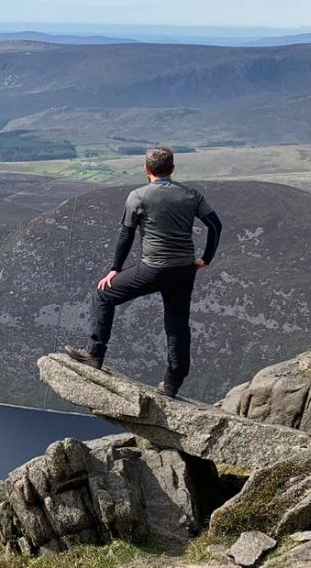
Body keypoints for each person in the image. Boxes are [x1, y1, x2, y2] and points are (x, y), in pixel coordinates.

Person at [65, 146, 222, 397]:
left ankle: (94, 355)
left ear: (146, 169)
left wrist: (114, 270)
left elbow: (126, 235)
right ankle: (172, 383)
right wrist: (206, 259)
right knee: (177, 324)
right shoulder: (192, 195)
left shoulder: (138, 196)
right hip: (184, 269)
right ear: (172, 168)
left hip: (154, 267)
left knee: (104, 295)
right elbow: (215, 226)